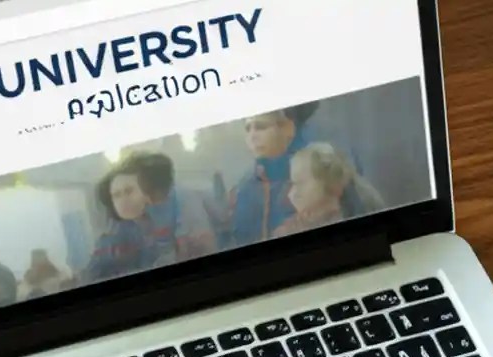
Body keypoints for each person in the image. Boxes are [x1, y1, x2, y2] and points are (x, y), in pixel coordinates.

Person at [85, 152, 219, 282]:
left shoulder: (178, 208)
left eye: (129, 191)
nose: (123, 200)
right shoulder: (112, 234)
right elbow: (92, 272)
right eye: (116, 195)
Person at [226, 103, 319, 247]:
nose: (252, 136)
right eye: (247, 129)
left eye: (261, 127)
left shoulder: (316, 174)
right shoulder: (243, 188)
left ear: (288, 128)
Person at [272, 142, 385, 238]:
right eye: (292, 184)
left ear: (331, 183)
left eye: (300, 183)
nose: (291, 194)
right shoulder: (287, 231)